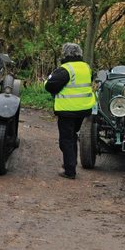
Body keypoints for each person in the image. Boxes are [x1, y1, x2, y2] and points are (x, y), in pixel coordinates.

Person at [44, 42, 96, 180]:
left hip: (67, 109)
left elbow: (50, 86)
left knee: (66, 139)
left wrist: (48, 80)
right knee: (72, 136)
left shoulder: (65, 69)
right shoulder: (86, 67)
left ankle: (70, 170)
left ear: (65, 54)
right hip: (83, 108)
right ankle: (71, 162)